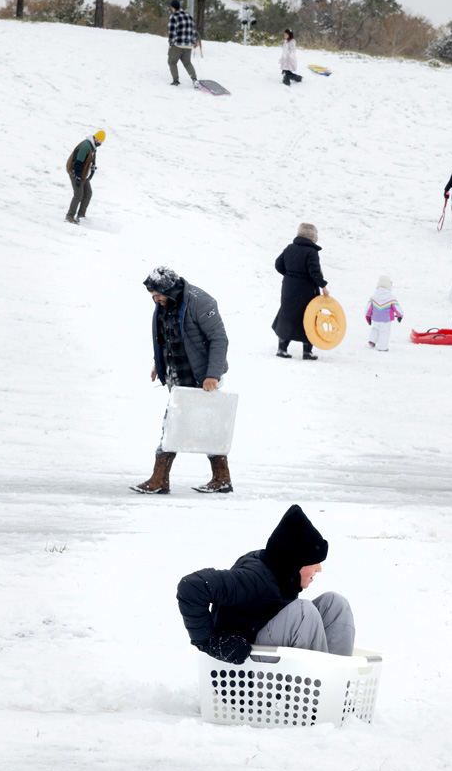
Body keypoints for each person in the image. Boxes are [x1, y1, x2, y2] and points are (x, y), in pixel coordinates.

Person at [176, 504, 356, 665]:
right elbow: (191, 586)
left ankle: (336, 683)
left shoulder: (283, 572)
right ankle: (317, 689)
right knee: (303, 612)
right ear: (296, 562)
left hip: (265, 657)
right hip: (242, 674)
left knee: (335, 603)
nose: (319, 569)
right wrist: (210, 642)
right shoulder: (254, 578)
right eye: (314, 562)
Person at [132, 266, 232, 495]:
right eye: (153, 297)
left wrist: (212, 375)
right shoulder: (163, 305)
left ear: (169, 289)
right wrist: (159, 363)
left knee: (174, 427)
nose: (156, 300)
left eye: (158, 295)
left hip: (203, 377)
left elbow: (219, 340)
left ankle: (160, 480)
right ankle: (221, 478)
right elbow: (166, 337)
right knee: (202, 427)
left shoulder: (200, 302)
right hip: (178, 377)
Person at [271, 222, 328, 359]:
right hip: (306, 288)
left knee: (287, 314)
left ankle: (282, 349)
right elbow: (314, 271)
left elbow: (278, 264)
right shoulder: (311, 252)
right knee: (309, 315)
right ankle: (307, 352)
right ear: (313, 237)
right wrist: (323, 286)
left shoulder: (290, 248)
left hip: (289, 286)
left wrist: (289, 275)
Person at [65, 131, 104, 224]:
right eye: (99, 141)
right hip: (76, 172)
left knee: (88, 193)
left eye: (102, 142)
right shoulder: (85, 146)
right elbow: (77, 162)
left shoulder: (92, 146)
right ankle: (69, 216)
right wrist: (77, 177)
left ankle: (81, 216)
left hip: (83, 173)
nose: (100, 143)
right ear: (95, 138)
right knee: (78, 194)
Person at [166, 0, 200, 87]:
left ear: (172, 7)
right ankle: (194, 80)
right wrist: (194, 41)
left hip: (177, 44)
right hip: (188, 45)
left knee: (172, 62)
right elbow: (193, 30)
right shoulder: (189, 16)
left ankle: (176, 80)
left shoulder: (173, 17)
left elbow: (172, 32)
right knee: (187, 63)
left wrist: (170, 43)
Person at [365, 275, 403, 352]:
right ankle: (382, 347)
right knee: (384, 332)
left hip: (375, 318)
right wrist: (400, 315)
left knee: (375, 329)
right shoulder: (391, 298)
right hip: (386, 320)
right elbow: (397, 308)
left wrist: (367, 316)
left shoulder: (373, 297)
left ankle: (372, 341)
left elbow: (368, 308)